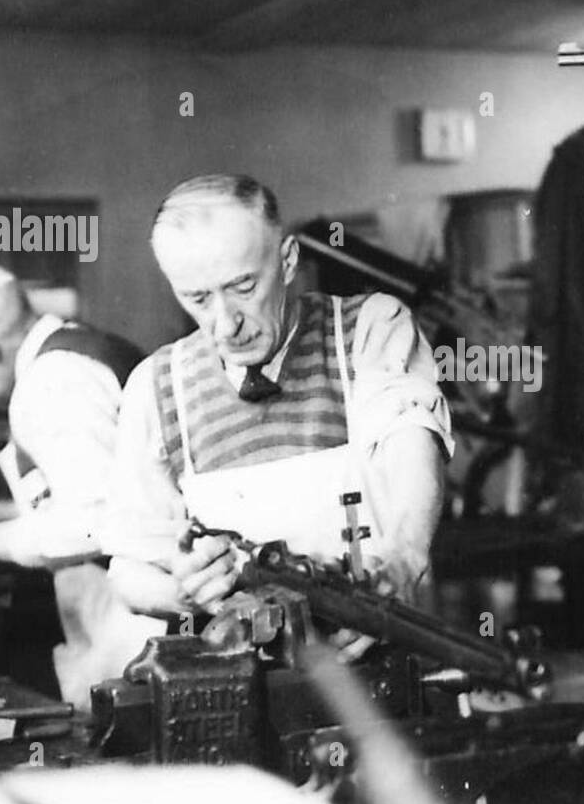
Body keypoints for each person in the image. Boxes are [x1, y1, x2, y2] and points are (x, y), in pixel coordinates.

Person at [104, 174, 453, 621]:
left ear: (287, 261)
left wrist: (403, 559)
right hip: (242, 673)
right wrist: (184, 593)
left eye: (244, 287)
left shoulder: (368, 329)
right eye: (198, 298)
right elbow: (127, 568)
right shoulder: (156, 385)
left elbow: (411, 437)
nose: (226, 323)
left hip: (384, 650)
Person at [0, 255, 164, 706]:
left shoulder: (54, 380)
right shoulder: (74, 348)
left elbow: (93, 523)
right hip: (126, 618)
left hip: (138, 631)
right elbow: (93, 496)